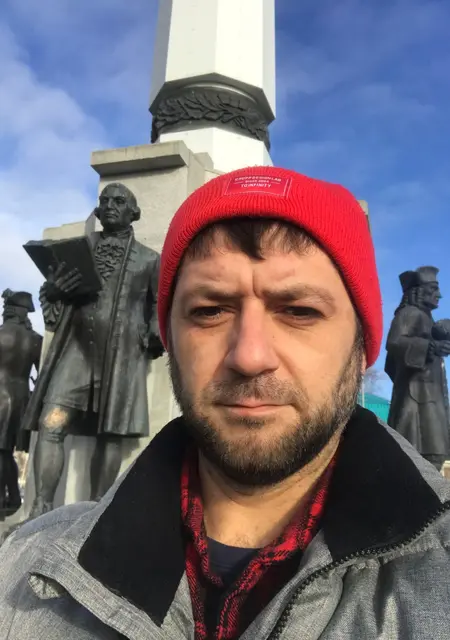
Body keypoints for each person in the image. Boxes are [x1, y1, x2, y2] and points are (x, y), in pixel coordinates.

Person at [1, 166, 450, 639]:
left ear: (362, 348)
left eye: (299, 311)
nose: (250, 356)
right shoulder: (23, 566)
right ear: (171, 338)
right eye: (210, 310)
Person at [21, 182, 163, 519]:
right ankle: (41, 508)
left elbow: (159, 302)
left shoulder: (149, 259)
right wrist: (54, 291)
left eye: (119, 201)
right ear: (98, 209)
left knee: (111, 432)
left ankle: (97, 510)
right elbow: (53, 299)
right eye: (105, 200)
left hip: (122, 352)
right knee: (51, 421)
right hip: (75, 349)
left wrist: (155, 329)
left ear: (133, 213)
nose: (110, 205)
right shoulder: (78, 251)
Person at [385, 267, 450, 470]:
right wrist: (429, 347)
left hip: (430, 397)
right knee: (416, 455)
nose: (439, 294)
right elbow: (394, 343)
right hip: (416, 399)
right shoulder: (409, 313)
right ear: (419, 291)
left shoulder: (427, 318)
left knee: (433, 456)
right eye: (433, 288)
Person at [0, 290, 42, 517]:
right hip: (20, 399)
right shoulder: (35, 340)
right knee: (5, 451)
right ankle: (14, 497)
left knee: (2, 452)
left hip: (1, 397)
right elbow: (42, 374)